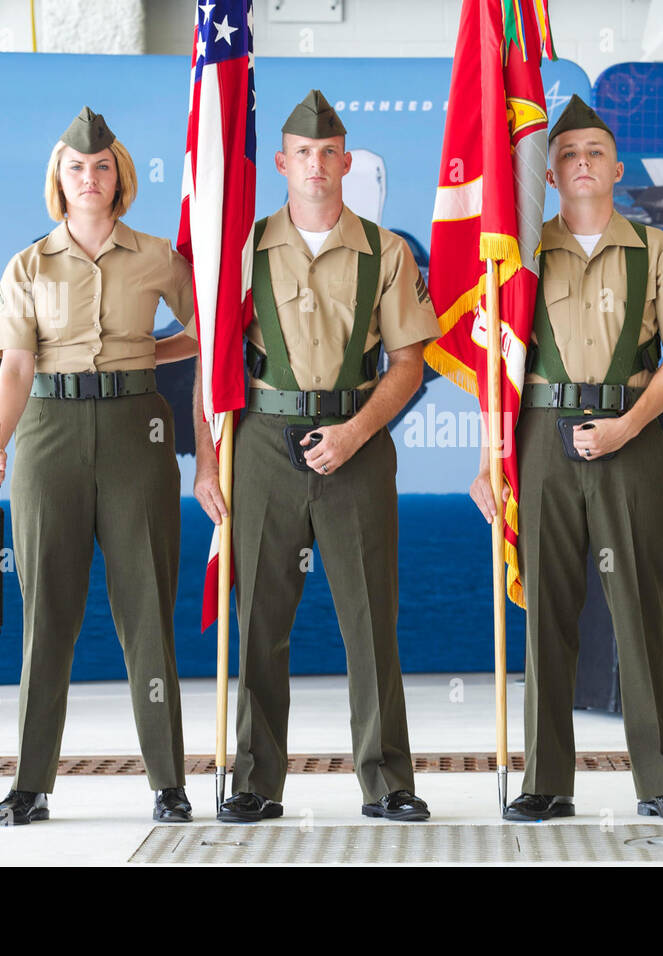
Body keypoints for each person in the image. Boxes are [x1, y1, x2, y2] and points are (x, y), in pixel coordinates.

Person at [191, 90, 439, 823]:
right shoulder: (242, 248)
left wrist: (353, 434)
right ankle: (254, 782)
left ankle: (388, 780)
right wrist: (207, 462)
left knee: (371, 621)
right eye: (304, 153)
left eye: (329, 153)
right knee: (260, 622)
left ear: (347, 161)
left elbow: (407, 364)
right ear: (281, 163)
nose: (317, 165)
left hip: (355, 440)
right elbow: (213, 363)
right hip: (263, 444)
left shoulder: (386, 252)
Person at [471, 95, 663, 822]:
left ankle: (660, 781)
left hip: (631, 437)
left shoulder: (657, 249)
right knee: (546, 610)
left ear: (616, 167)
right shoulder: (516, 254)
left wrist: (628, 426)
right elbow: (493, 364)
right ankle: (545, 781)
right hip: (541, 436)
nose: (582, 164)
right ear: (549, 174)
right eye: (568, 155)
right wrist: (491, 459)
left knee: (638, 607)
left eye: (594, 153)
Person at [0, 106, 199, 825]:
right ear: (59, 180)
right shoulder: (27, 264)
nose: (89, 177)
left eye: (101, 166)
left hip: (139, 429)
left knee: (147, 613)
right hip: (49, 433)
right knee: (48, 615)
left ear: (119, 176)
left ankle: (169, 782)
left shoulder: (159, 256)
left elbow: (203, 329)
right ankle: (32, 784)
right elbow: (15, 366)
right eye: (76, 167)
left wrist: (145, 354)